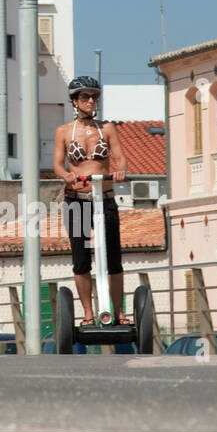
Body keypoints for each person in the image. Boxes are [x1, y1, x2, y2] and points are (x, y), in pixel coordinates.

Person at [53, 77, 128, 325]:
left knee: (113, 257)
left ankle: (117, 312)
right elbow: (57, 164)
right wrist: (67, 176)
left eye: (94, 96)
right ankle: (87, 313)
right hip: (77, 199)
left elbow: (120, 157)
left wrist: (119, 171)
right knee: (81, 257)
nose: (91, 101)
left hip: (104, 198)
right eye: (85, 97)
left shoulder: (106, 128)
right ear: (74, 101)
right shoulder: (64, 131)